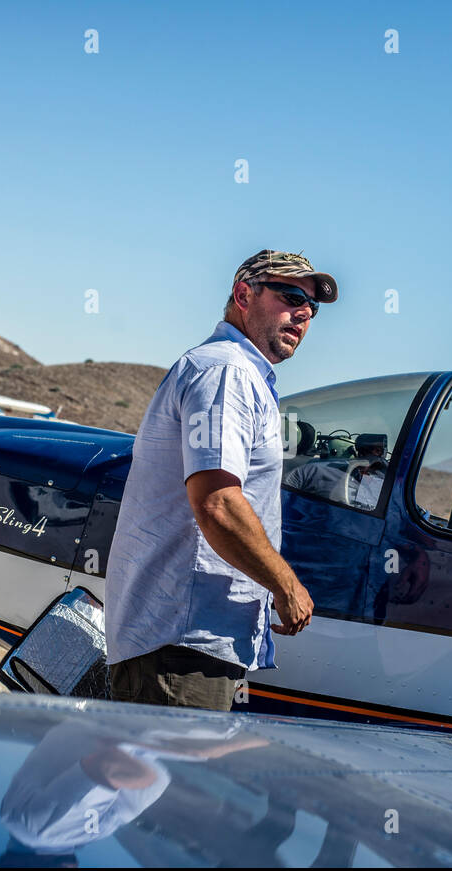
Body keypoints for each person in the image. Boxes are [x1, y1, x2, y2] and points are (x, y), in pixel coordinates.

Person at [104, 249, 338, 711]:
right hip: (182, 649)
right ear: (243, 294)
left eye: (312, 305)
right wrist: (285, 585)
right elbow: (218, 502)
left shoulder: (238, 373)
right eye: (291, 295)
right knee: (173, 782)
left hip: (188, 646)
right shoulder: (227, 373)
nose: (305, 312)